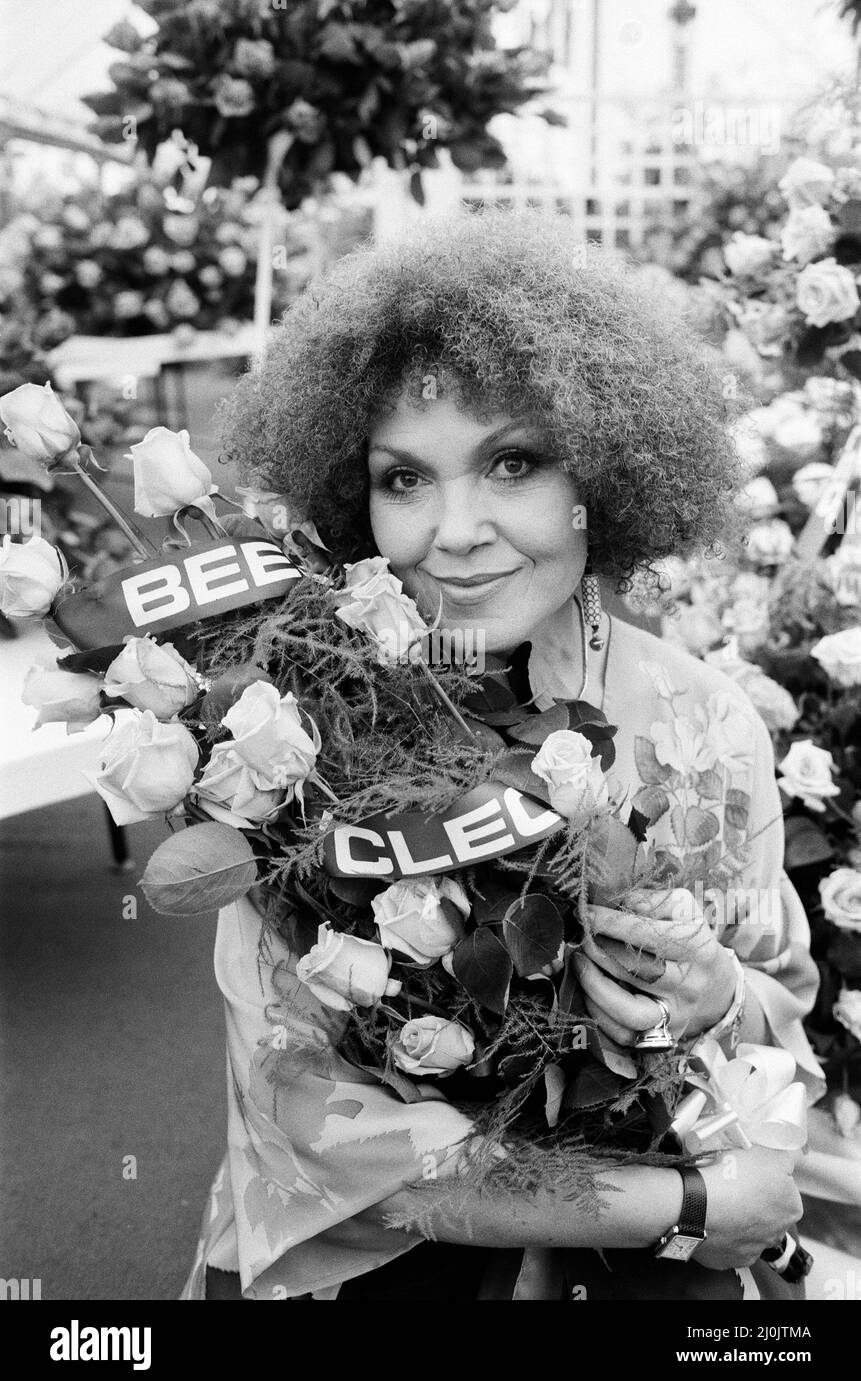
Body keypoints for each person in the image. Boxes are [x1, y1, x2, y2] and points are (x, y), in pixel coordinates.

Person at [182, 209, 824, 1301]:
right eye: (405, 478)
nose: (457, 530)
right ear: (354, 496)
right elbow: (316, 1139)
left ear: (602, 476)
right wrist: (692, 1207)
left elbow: (781, 1004)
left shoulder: (705, 722)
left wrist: (716, 996)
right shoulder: (285, 744)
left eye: (512, 462)